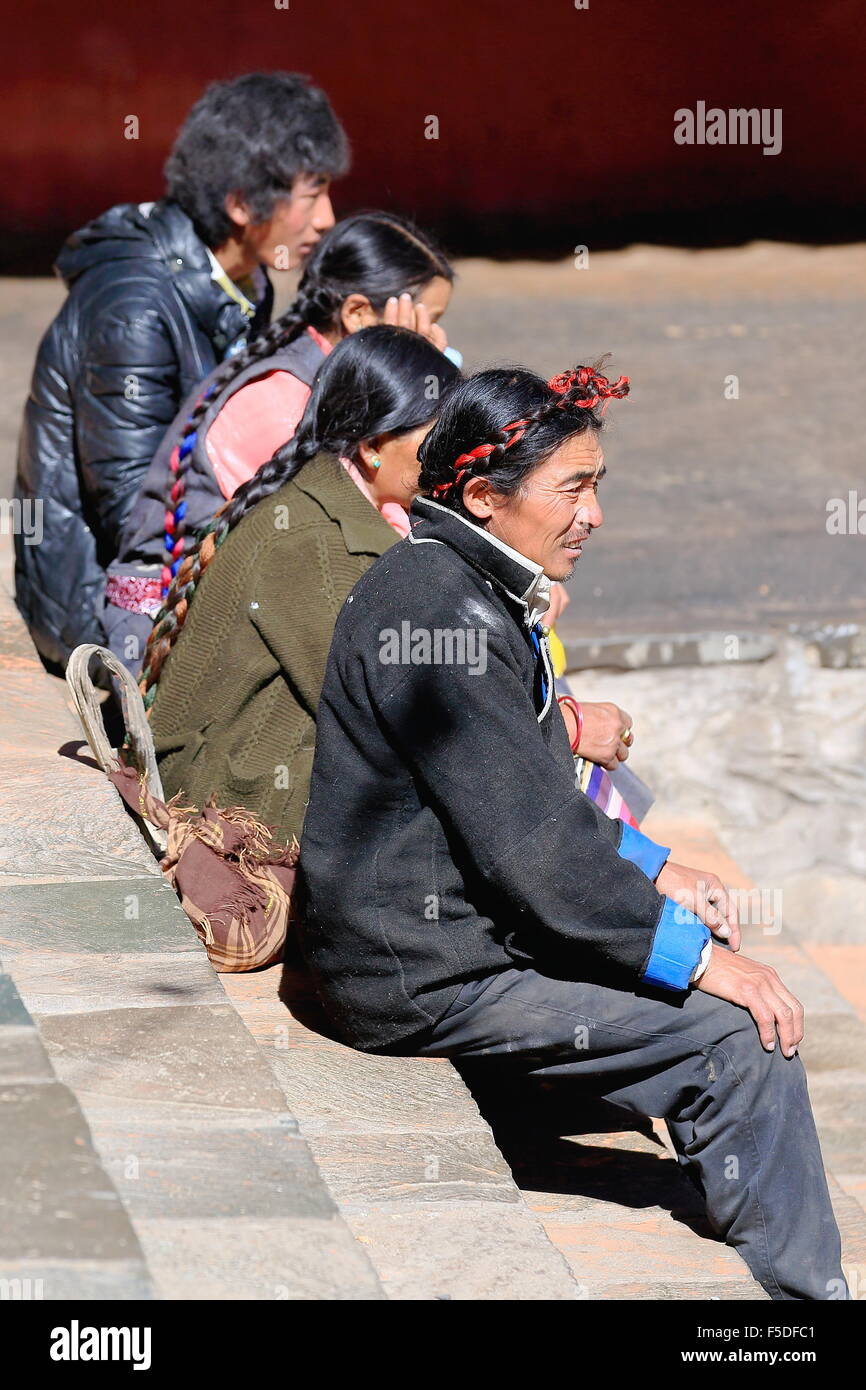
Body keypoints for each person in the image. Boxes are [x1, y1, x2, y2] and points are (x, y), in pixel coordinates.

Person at [293, 362, 847, 1301]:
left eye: (598, 486)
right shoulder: (441, 615)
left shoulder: (461, 585)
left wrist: (653, 867)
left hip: (434, 942)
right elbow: (537, 852)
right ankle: (802, 1304)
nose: (594, 516)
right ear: (481, 495)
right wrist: (699, 963)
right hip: (423, 974)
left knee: (690, 958)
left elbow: (530, 790)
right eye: (575, 489)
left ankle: (746, 1219)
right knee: (742, 1042)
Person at [14, 71, 348, 671]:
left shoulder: (245, 281)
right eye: (313, 191)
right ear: (242, 202)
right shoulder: (135, 307)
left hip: (188, 564)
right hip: (108, 605)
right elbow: (132, 514)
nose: (327, 218)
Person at [141, 326, 460, 846]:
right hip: (225, 814)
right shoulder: (317, 541)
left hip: (227, 782)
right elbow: (395, 712)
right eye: (438, 442)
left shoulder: (324, 503)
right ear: (375, 446)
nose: (451, 463)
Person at [105, 212, 455, 673]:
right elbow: (341, 540)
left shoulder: (336, 383)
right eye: (425, 322)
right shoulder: (283, 398)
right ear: (356, 314)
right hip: (172, 645)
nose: (439, 343)